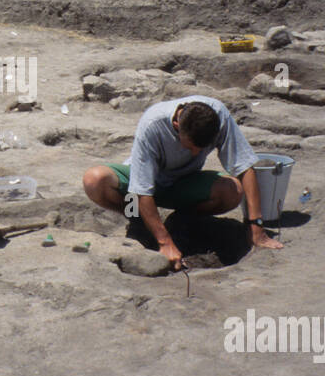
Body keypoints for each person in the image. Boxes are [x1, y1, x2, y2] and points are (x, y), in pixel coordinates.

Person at [82, 97, 284, 271]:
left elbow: (244, 167)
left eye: (201, 149)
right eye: (190, 147)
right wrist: (165, 243)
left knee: (232, 191)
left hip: (184, 184)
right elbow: (142, 191)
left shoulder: (219, 115)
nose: (195, 154)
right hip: (143, 188)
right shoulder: (152, 124)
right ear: (177, 126)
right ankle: (138, 221)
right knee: (94, 180)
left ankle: (180, 222)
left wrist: (256, 226)